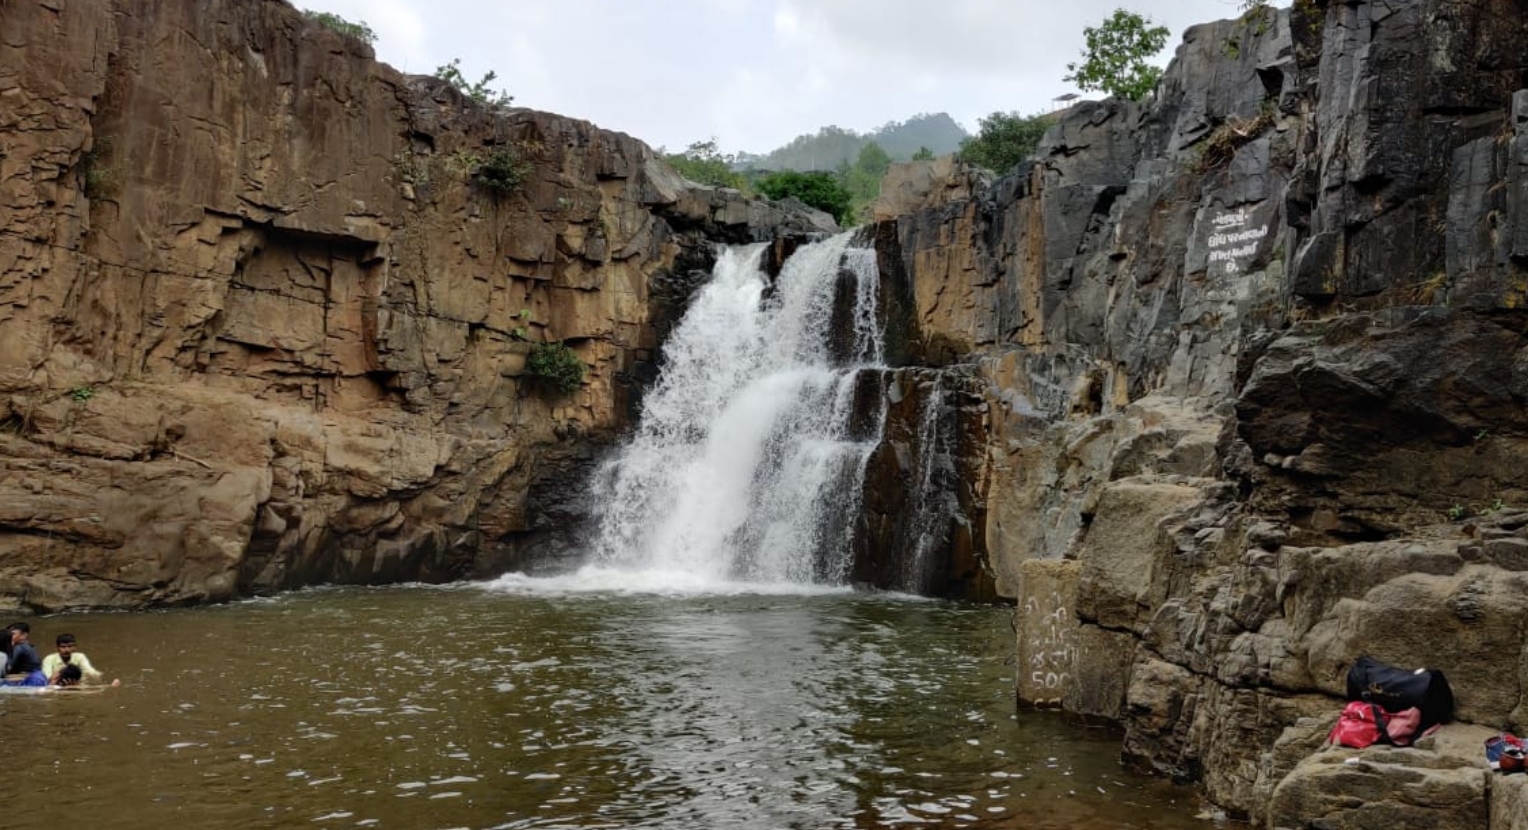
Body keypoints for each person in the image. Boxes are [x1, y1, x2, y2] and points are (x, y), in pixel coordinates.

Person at [41, 633, 108, 685]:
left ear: (75, 647)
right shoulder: (49, 659)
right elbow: (46, 679)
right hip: (56, 686)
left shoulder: (80, 657)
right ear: (57, 648)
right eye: (63, 647)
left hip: (77, 686)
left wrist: (103, 681)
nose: (67, 650)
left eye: (70, 646)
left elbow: (91, 672)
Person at [2, 622, 48, 687]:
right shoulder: (28, 645)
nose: (9, 636)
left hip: (29, 679)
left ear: (24, 635)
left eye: (12, 634)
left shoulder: (20, 647)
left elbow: (7, 666)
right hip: (36, 677)